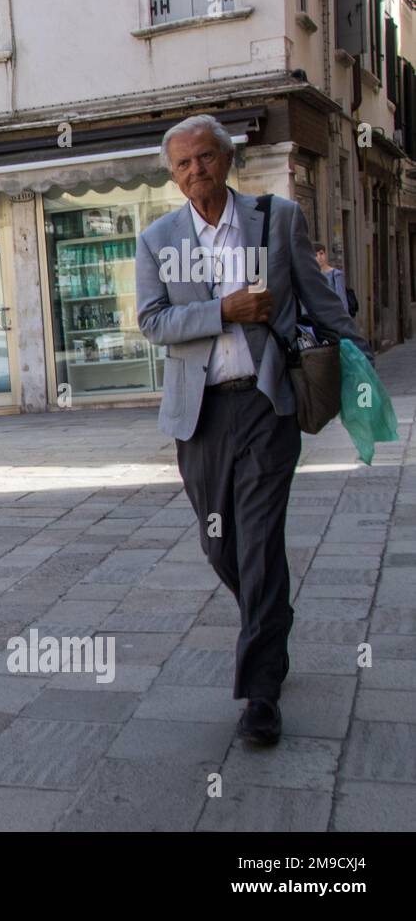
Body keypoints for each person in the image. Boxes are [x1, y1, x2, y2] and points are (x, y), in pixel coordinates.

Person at [135, 114, 374, 747]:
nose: (197, 172)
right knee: (221, 546)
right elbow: (153, 323)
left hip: (267, 406)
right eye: (183, 164)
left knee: (261, 542)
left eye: (206, 158)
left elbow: (321, 300)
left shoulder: (277, 219)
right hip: (200, 416)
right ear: (172, 172)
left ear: (227, 159)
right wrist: (224, 311)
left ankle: (260, 694)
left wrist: (358, 356)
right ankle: (271, 616)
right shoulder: (158, 237)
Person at [314, 241, 357, 317]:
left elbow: (342, 301)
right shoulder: (312, 276)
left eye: (321, 253)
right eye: (315, 255)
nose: (319, 257)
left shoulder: (336, 274)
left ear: (325, 254)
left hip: (333, 318)